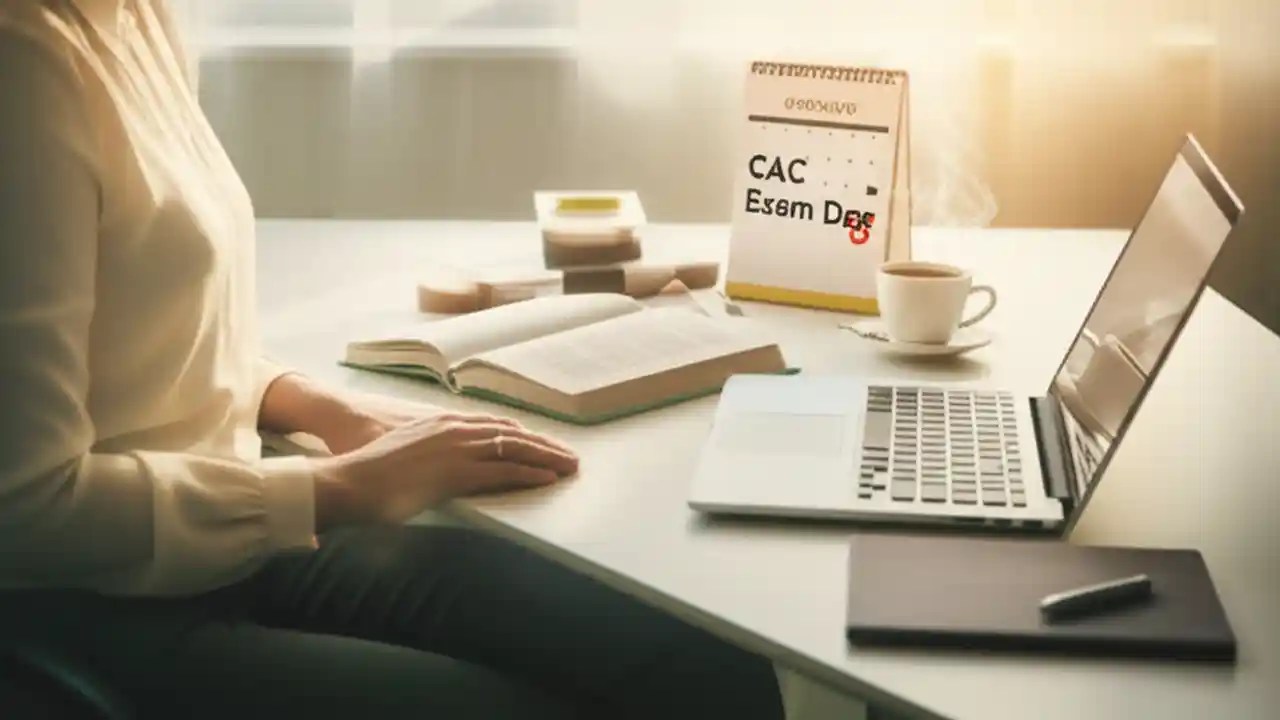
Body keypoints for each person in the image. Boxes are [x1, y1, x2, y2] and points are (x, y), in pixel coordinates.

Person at [0, 1, 785, 717]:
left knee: (698, 666)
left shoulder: (133, 18)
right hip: (84, 603)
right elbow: (24, 510)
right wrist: (341, 488)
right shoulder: (23, 63)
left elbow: (148, 329)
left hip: (223, 545)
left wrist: (312, 404)